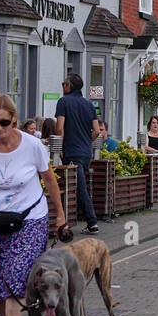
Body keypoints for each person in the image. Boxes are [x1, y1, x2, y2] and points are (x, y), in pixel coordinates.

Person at [0, 94, 66, 316]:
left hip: (30, 217)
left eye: (3, 122)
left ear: (14, 120)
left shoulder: (31, 145)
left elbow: (49, 179)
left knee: (16, 274)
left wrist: (60, 215)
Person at [54, 73, 102, 234]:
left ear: (69, 86)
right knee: (79, 186)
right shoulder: (88, 104)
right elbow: (97, 131)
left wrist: (58, 148)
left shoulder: (63, 102)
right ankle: (84, 220)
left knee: (80, 188)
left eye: (63, 83)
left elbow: (60, 128)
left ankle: (92, 222)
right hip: (86, 152)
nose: (62, 86)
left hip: (71, 151)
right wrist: (86, 140)